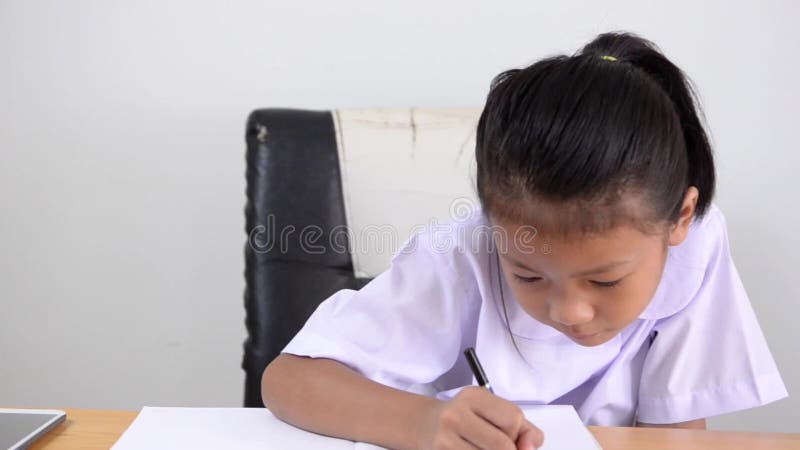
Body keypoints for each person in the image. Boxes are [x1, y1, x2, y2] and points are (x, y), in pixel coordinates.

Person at [260, 31, 788, 450]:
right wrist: (425, 423)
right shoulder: (460, 253)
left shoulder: (698, 245)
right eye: (528, 275)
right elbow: (288, 381)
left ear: (681, 218)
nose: (570, 311)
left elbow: (674, 428)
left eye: (605, 279)